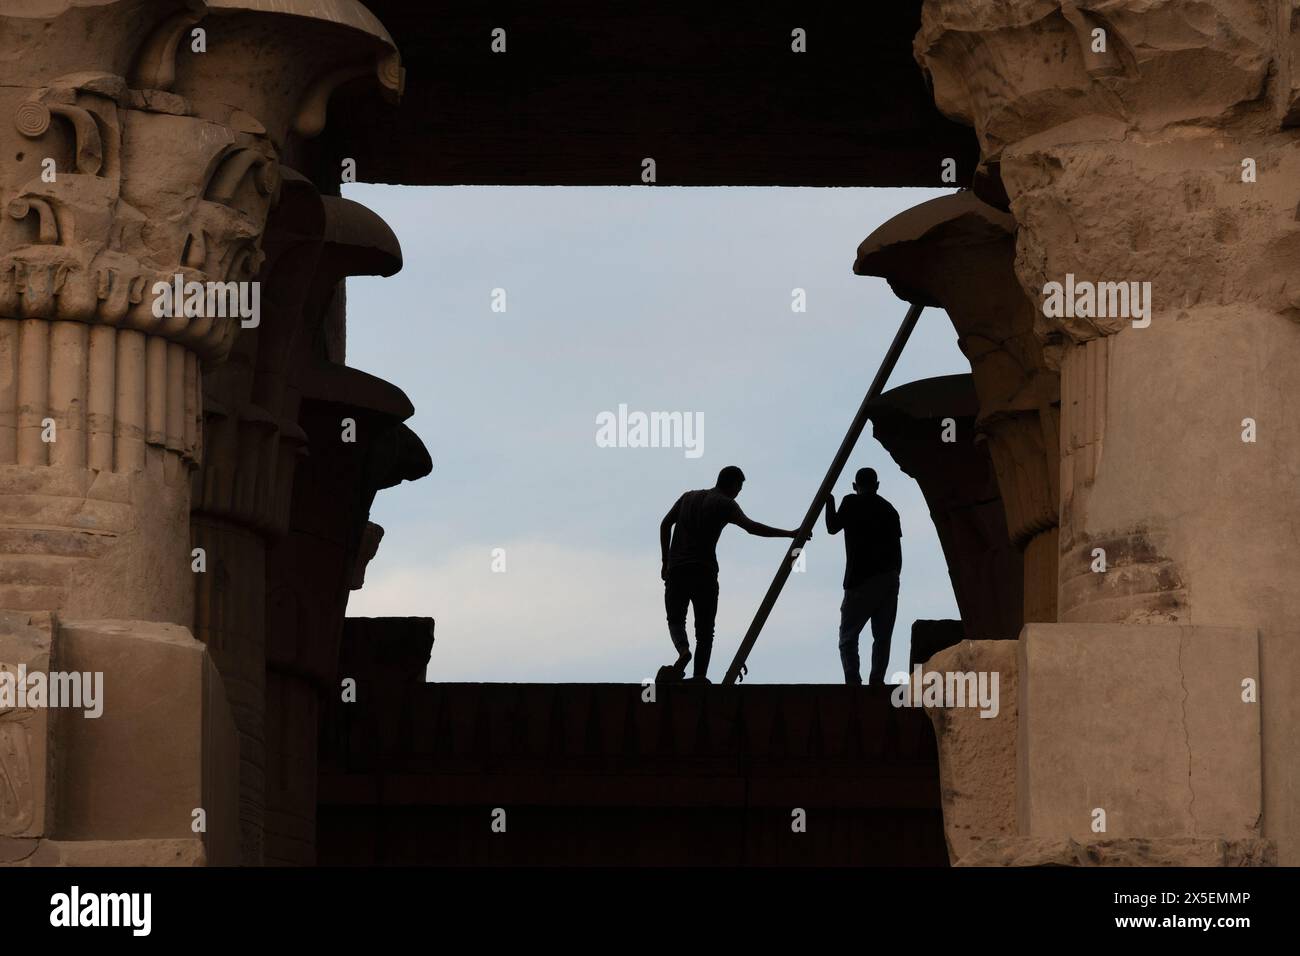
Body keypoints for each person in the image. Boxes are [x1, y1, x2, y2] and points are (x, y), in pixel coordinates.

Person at [659, 465, 799, 682]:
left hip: (677, 570)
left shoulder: (688, 497)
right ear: (733, 484)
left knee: (675, 619)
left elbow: (665, 524)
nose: (739, 492)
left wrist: (665, 561)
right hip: (704, 572)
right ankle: (699, 677)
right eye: (739, 487)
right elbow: (752, 527)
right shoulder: (725, 504)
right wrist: (789, 534)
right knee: (705, 631)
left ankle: (683, 651)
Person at [824, 467, 901, 685]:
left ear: (854, 486)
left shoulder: (851, 502)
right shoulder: (889, 509)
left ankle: (853, 681)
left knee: (848, 636)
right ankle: (877, 680)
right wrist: (895, 577)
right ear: (877, 485)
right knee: (882, 636)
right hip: (888, 577)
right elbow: (897, 549)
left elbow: (832, 527)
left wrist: (828, 502)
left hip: (859, 579)